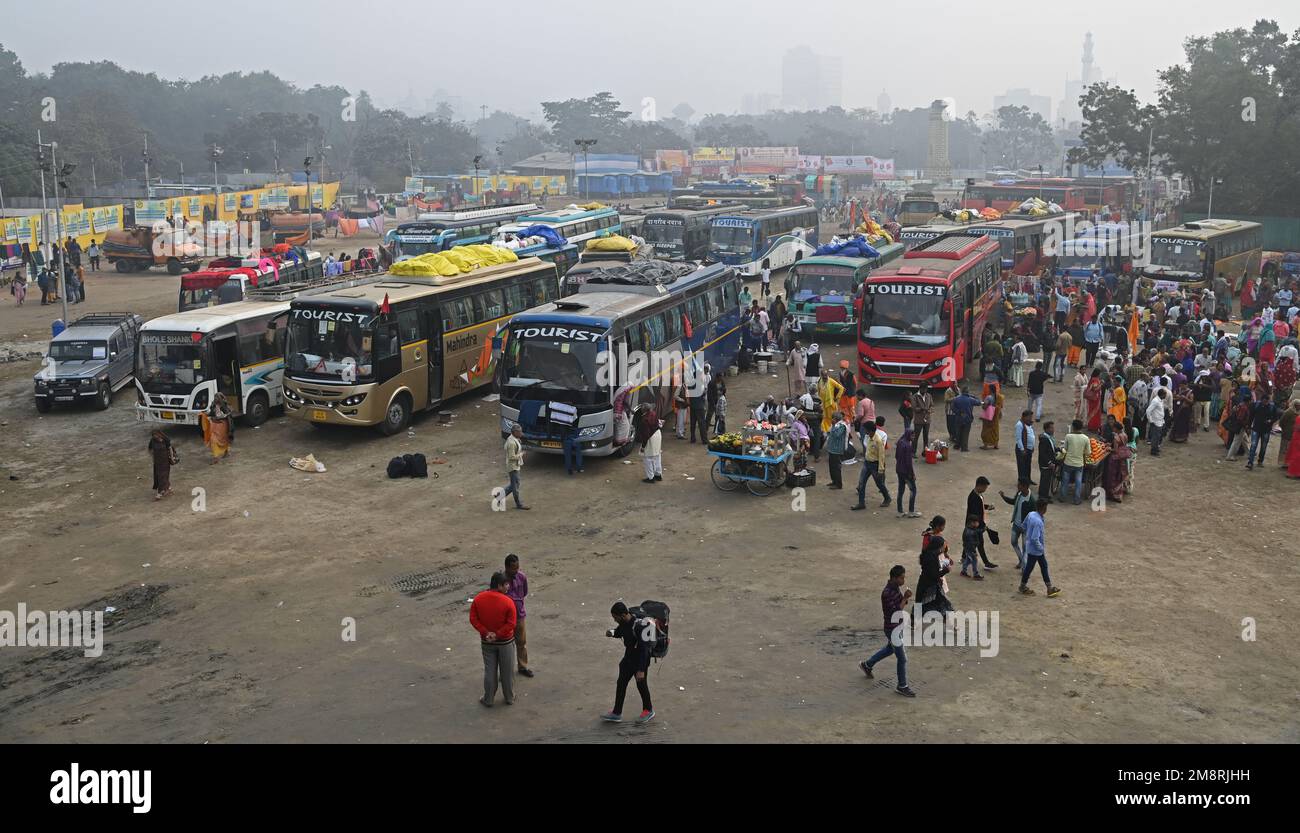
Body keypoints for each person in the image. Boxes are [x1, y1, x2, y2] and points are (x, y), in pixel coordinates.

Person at [859, 564, 917, 697]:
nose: (904, 580)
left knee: (890, 649)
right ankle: (902, 685)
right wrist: (905, 598)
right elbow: (896, 611)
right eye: (902, 578)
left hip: (897, 626)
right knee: (902, 659)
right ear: (894, 578)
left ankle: (867, 665)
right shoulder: (887, 593)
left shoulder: (895, 588)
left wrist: (904, 598)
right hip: (892, 629)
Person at [600, 601, 656, 724]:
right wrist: (612, 633)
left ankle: (648, 710)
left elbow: (645, 649)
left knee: (641, 685)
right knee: (621, 683)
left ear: (623, 615)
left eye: (615, 618)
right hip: (629, 658)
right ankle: (616, 712)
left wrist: (641, 670)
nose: (615, 620)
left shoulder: (640, 626)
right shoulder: (624, 622)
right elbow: (620, 632)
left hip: (640, 660)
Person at [469, 572, 517, 707]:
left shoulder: (478, 599)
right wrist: (498, 634)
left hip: (487, 642)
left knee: (490, 671)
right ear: (499, 585)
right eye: (506, 584)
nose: (508, 587)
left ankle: (488, 698)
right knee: (507, 671)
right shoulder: (508, 602)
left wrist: (486, 633)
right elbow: (511, 623)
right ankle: (509, 697)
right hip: (505, 642)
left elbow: (473, 619)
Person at [1019, 500, 1061, 597]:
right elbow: (1035, 538)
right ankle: (1023, 586)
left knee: (1042, 566)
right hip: (1036, 550)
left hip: (1031, 548)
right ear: (1044, 508)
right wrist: (1041, 547)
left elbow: (1023, 526)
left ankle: (1049, 588)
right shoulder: (1038, 522)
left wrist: (1027, 536)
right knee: (1031, 568)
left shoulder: (1031, 514)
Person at [851, 415, 891, 510]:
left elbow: (881, 456)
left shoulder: (878, 440)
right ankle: (861, 503)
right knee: (861, 483)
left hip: (875, 464)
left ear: (871, 431)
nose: (865, 432)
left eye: (866, 430)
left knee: (879, 484)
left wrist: (881, 469)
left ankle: (887, 498)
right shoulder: (868, 437)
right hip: (867, 463)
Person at [966, 476, 998, 570]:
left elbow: (979, 506)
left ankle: (965, 558)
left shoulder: (978, 495)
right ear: (979, 486)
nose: (985, 489)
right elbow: (975, 513)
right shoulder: (973, 497)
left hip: (976, 524)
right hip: (974, 525)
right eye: (984, 487)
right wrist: (981, 526)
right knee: (977, 543)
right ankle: (985, 562)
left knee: (973, 543)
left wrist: (987, 507)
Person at [1060, 419, 1090, 504]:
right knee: (1078, 482)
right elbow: (1088, 452)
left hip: (1068, 463)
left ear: (1073, 427)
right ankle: (1077, 500)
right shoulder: (1085, 438)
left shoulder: (1068, 436)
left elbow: (1065, 449)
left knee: (1065, 481)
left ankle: (1062, 497)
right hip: (1079, 464)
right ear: (1081, 427)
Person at [1247, 395, 1278, 471]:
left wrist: (1270, 421)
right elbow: (1251, 416)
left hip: (1266, 430)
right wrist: (1248, 427)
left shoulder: (1272, 407)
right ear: (1262, 400)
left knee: (1263, 447)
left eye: (1267, 401)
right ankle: (1250, 462)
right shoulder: (1256, 405)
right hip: (1256, 428)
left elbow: (1275, 417)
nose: (1266, 403)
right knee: (1253, 445)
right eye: (1265, 401)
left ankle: (1260, 461)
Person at [201, 392, 233, 465]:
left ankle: (226, 452)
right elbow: (212, 413)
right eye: (215, 397)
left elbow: (228, 415)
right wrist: (205, 414)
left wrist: (219, 417)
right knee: (213, 440)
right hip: (215, 425)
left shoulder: (225, 406)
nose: (215, 399)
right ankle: (216, 458)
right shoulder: (213, 405)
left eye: (217, 397)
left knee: (224, 439)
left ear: (220, 399)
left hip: (223, 425)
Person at [895, 429, 919, 518]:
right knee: (913, 490)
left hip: (899, 470)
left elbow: (896, 456)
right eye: (912, 436)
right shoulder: (908, 446)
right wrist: (912, 474)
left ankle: (900, 511)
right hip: (906, 472)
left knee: (900, 490)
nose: (913, 437)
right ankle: (911, 511)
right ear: (909, 435)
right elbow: (909, 463)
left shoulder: (900, 443)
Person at [147, 429, 176, 501]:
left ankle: (159, 493)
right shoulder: (152, 441)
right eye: (154, 435)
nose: (155, 437)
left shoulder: (165, 440)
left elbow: (170, 449)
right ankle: (168, 488)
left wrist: (172, 458)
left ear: (159, 434)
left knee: (163, 475)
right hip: (157, 461)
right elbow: (150, 449)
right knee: (159, 475)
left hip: (165, 461)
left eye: (156, 435)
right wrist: (152, 456)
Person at [637, 406, 663, 484]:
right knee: (657, 455)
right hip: (658, 434)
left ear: (643, 410)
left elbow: (646, 435)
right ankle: (658, 475)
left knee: (647, 458)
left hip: (651, 438)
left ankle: (650, 477)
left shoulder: (644, 420)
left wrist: (643, 447)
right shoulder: (653, 413)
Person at [951, 386, 979, 452]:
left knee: (958, 432)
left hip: (958, 418)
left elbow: (952, 408)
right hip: (967, 419)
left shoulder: (956, 399)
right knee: (965, 433)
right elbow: (979, 402)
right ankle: (964, 448)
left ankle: (957, 445)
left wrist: (958, 412)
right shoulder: (970, 399)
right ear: (967, 392)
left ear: (961, 391)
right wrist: (974, 396)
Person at [1037, 420, 1059, 504]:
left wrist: (1058, 449)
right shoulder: (1044, 440)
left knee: (1047, 480)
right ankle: (1043, 497)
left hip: (1048, 464)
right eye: (1051, 428)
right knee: (1045, 481)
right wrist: (1049, 462)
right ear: (1046, 429)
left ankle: (1044, 495)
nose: (1053, 430)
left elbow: (1051, 448)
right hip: (1046, 464)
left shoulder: (1049, 438)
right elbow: (1043, 453)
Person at [979, 383, 1003, 450]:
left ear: (990, 390)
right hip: (995, 417)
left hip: (989, 416)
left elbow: (985, 406)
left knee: (986, 430)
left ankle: (986, 445)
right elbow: (1000, 406)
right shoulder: (999, 397)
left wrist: (983, 406)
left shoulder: (988, 397)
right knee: (995, 430)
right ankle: (996, 445)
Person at [911, 382, 933, 458]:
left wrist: (930, 410)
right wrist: (922, 409)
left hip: (927, 419)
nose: (925, 391)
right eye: (923, 389)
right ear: (920, 389)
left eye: (926, 389)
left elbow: (931, 405)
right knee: (916, 437)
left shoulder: (929, 396)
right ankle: (913, 452)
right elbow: (914, 408)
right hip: (918, 420)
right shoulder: (915, 397)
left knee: (926, 436)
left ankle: (925, 451)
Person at [1147, 388, 1169, 457]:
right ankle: (1154, 451)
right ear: (1162, 395)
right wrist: (1151, 421)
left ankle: (1156, 448)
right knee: (1155, 437)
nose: (1166, 396)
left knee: (1158, 436)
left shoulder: (1160, 400)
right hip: (1156, 422)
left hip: (1160, 421)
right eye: (1165, 394)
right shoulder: (1155, 401)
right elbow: (1148, 411)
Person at [1278, 400, 1300, 467]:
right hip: (1287, 434)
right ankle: (1283, 463)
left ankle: (1289, 462)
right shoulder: (1288, 412)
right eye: (1297, 405)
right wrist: (1284, 429)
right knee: (1284, 449)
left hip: (1295, 435)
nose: (1299, 407)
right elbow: (1281, 422)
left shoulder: (1298, 413)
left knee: (1290, 450)